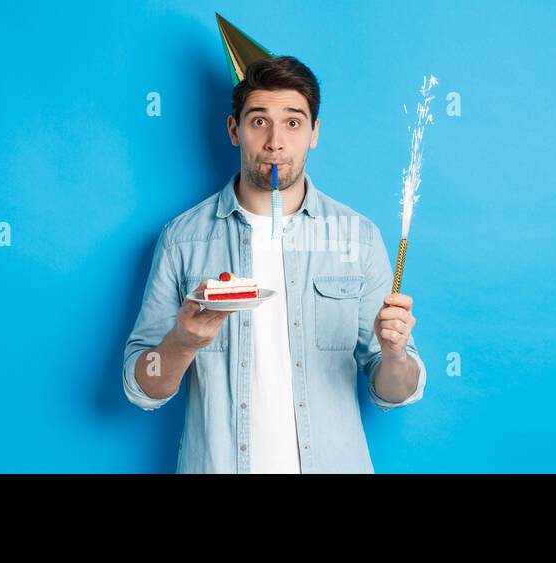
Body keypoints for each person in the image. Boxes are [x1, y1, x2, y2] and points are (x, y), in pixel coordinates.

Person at [122, 56, 426, 473]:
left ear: (314, 133)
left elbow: (394, 393)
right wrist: (183, 342)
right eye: (260, 121)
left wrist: (393, 356)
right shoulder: (183, 239)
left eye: (293, 123)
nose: (275, 142)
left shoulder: (357, 238)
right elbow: (141, 387)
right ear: (235, 130)